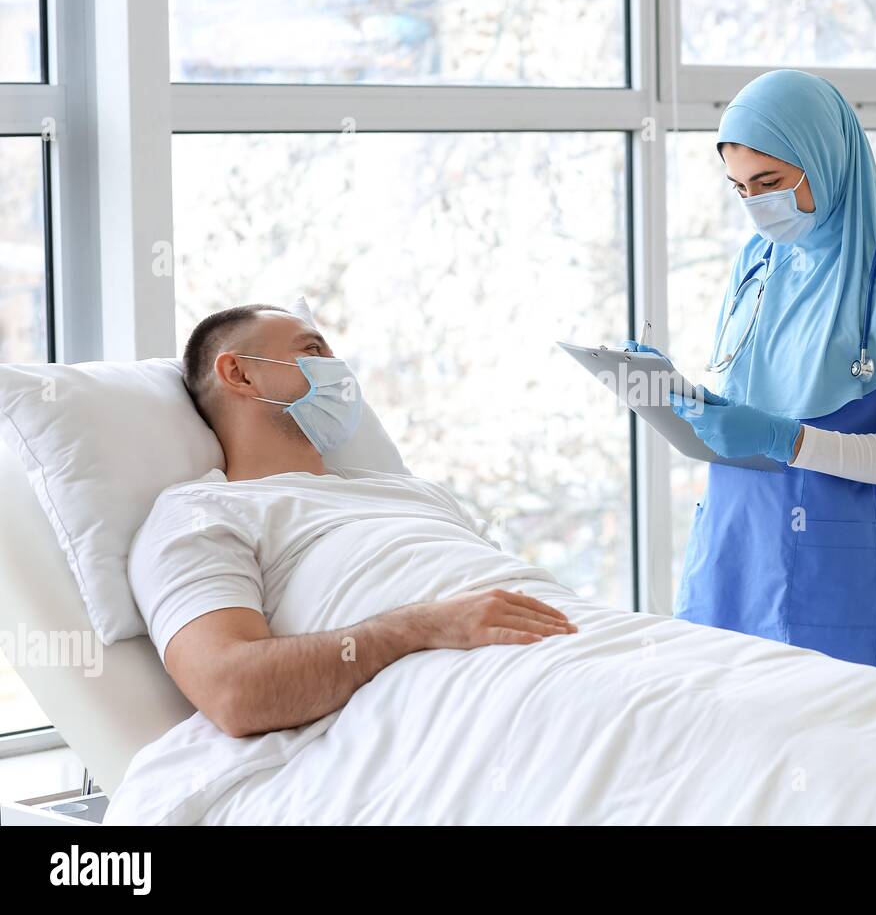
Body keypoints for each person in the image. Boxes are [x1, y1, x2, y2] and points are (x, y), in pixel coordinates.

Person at [631, 69, 876, 673]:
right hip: (730, 550)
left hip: (826, 567)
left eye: (771, 182)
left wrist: (785, 440)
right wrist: (681, 400)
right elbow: (752, 395)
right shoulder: (760, 257)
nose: (758, 205)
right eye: (740, 189)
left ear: (825, 158)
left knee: (833, 748)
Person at [131, 304, 578, 737]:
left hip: (577, 644)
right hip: (479, 690)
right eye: (312, 351)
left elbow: (515, 602)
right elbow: (231, 692)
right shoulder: (202, 512)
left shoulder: (417, 492)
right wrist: (424, 625)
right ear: (240, 374)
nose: (339, 370)